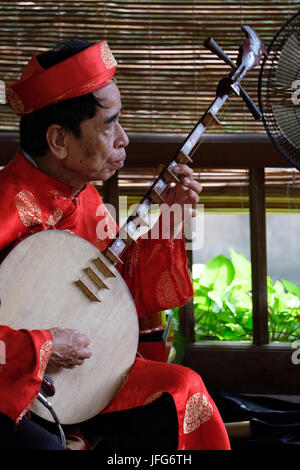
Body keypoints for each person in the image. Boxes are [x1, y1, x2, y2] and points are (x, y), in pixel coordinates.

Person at [0, 39, 230, 450]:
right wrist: (40, 347)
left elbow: (120, 290)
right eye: (110, 124)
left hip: (80, 377)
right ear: (58, 141)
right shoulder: (4, 206)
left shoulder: (83, 195)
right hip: (9, 387)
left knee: (180, 392)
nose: (124, 139)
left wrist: (169, 218)